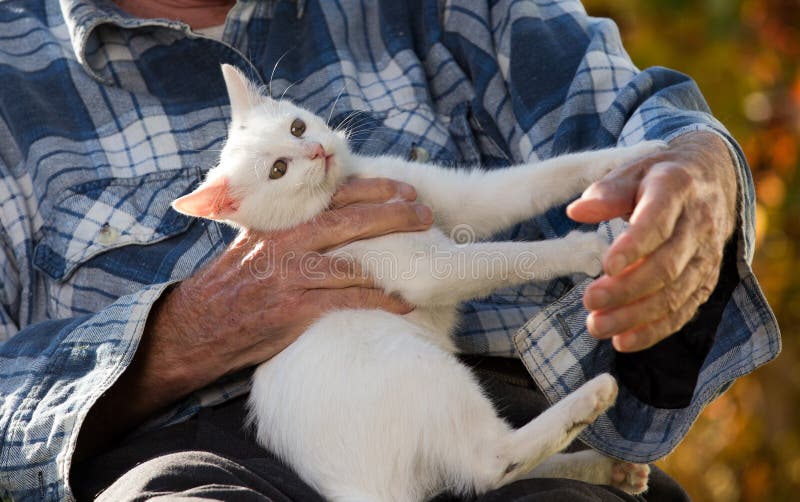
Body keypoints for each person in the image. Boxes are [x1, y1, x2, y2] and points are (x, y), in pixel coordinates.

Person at [0, 0, 780, 500]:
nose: (311, 152)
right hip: (183, 464)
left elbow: (642, 118)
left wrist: (691, 167)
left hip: (494, 416)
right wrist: (178, 337)